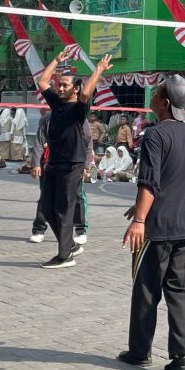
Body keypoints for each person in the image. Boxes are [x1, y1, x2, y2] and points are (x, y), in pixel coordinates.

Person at [119, 75, 185, 370]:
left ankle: (140, 352)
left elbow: (150, 182)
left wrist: (140, 219)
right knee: (181, 291)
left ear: (165, 102)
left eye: (155, 93)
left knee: (146, 289)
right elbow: (176, 178)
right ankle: (182, 358)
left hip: (158, 228)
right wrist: (139, 205)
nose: (151, 97)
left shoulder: (154, 135)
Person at [35, 50, 113, 268]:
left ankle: (64, 256)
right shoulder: (56, 103)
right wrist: (56, 61)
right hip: (54, 163)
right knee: (47, 208)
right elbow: (42, 82)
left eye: (65, 85)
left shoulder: (79, 108)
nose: (60, 88)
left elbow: (87, 93)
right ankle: (69, 245)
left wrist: (98, 70)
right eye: (59, 84)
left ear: (75, 88)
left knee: (64, 209)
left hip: (73, 164)